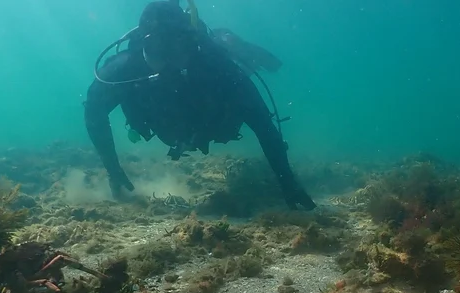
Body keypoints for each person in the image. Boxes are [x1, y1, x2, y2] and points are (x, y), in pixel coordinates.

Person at [84, 1, 316, 210]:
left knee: (233, 63)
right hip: (169, 126)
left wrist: (288, 182)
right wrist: (113, 171)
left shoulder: (217, 65)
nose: (168, 61)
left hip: (213, 124)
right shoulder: (125, 69)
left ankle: (239, 46)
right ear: (142, 45)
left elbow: (262, 122)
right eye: (158, 48)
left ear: (191, 42)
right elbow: (94, 110)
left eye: (175, 47)